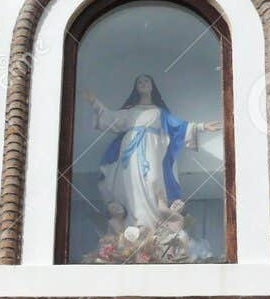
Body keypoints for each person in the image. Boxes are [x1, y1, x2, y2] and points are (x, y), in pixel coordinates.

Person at [82, 74, 219, 235]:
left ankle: (155, 227)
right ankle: (134, 226)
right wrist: (94, 102)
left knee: (154, 180)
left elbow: (180, 127)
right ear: (135, 87)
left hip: (153, 152)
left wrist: (202, 126)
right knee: (131, 185)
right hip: (130, 154)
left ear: (152, 86)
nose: (143, 83)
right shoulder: (129, 112)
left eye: (146, 81)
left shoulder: (160, 113)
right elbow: (110, 117)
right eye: (139, 81)